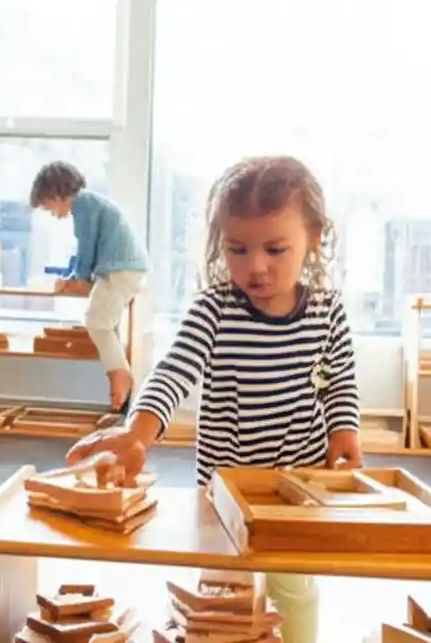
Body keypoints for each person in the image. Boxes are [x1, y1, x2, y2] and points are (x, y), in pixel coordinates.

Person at [64, 155, 362, 643]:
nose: (256, 266)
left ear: (314, 238)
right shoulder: (215, 308)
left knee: (296, 590)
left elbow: (340, 379)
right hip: (223, 490)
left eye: (276, 248)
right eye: (238, 249)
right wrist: (138, 430)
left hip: (299, 487)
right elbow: (175, 369)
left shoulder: (327, 312)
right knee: (220, 599)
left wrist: (344, 429)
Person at [30, 161, 148, 412]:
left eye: (46, 203)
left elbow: (87, 244)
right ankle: (121, 396)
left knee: (96, 321)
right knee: (108, 325)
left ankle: (120, 374)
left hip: (121, 268)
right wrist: (78, 275)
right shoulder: (90, 204)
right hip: (122, 267)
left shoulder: (83, 203)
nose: (48, 210)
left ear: (57, 192)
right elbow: (90, 247)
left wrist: (79, 278)